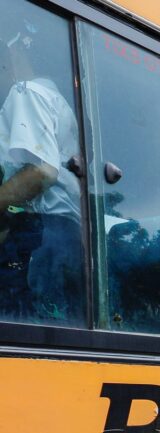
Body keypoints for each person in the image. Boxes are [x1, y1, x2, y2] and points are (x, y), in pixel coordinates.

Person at [0, 16, 82, 325]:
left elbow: (41, 172)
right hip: (61, 233)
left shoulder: (26, 92)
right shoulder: (58, 100)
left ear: (15, 52)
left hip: (38, 234)